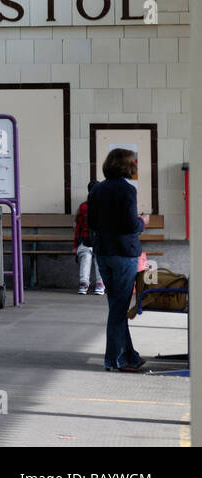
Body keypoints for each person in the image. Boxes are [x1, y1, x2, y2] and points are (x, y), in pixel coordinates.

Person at [87, 148, 146, 372]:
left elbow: (92, 223)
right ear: (126, 165)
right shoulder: (127, 190)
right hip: (124, 254)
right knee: (119, 309)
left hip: (103, 252)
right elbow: (131, 225)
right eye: (134, 163)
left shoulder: (97, 189)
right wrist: (143, 221)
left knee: (116, 305)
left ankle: (130, 355)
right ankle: (115, 360)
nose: (136, 166)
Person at [73, 181, 105, 296]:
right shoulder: (105, 206)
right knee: (100, 259)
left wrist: (75, 246)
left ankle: (83, 284)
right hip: (100, 242)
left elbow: (77, 228)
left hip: (85, 242)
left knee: (86, 257)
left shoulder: (83, 206)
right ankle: (100, 284)